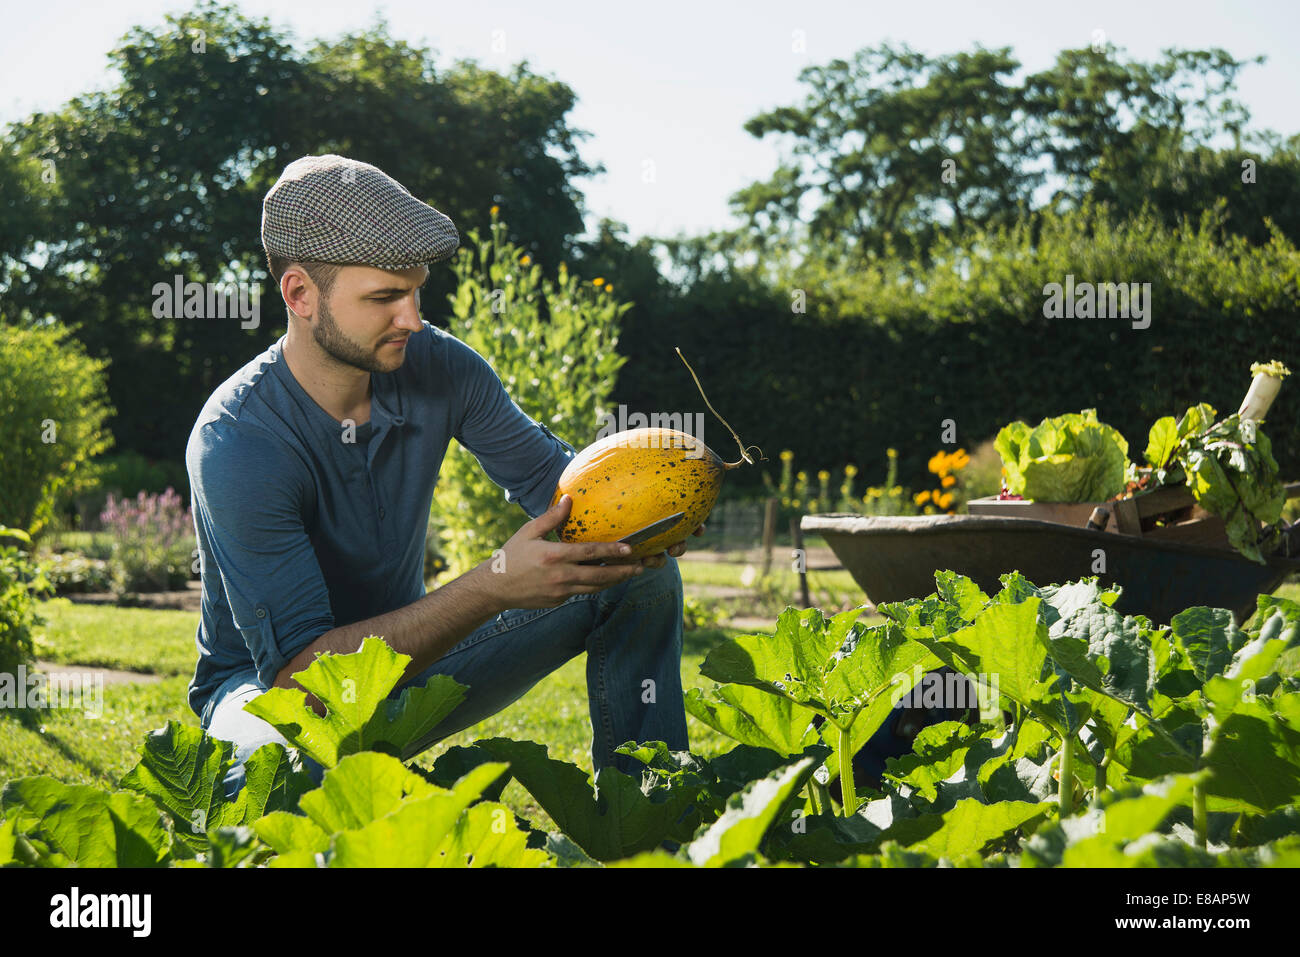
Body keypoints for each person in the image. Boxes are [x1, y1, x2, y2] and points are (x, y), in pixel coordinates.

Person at [186, 154, 698, 797]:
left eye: (415, 291)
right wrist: (493, 586)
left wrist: (641, 522)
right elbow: (300, 683)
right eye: (384, 298)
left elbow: (560, 491)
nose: (412, 319)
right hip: (272, 693)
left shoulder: (442, 367)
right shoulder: (238, 439)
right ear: (299, 295)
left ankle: (650, 815)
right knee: (271, 783)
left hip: (420, 660)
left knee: (636, 578)